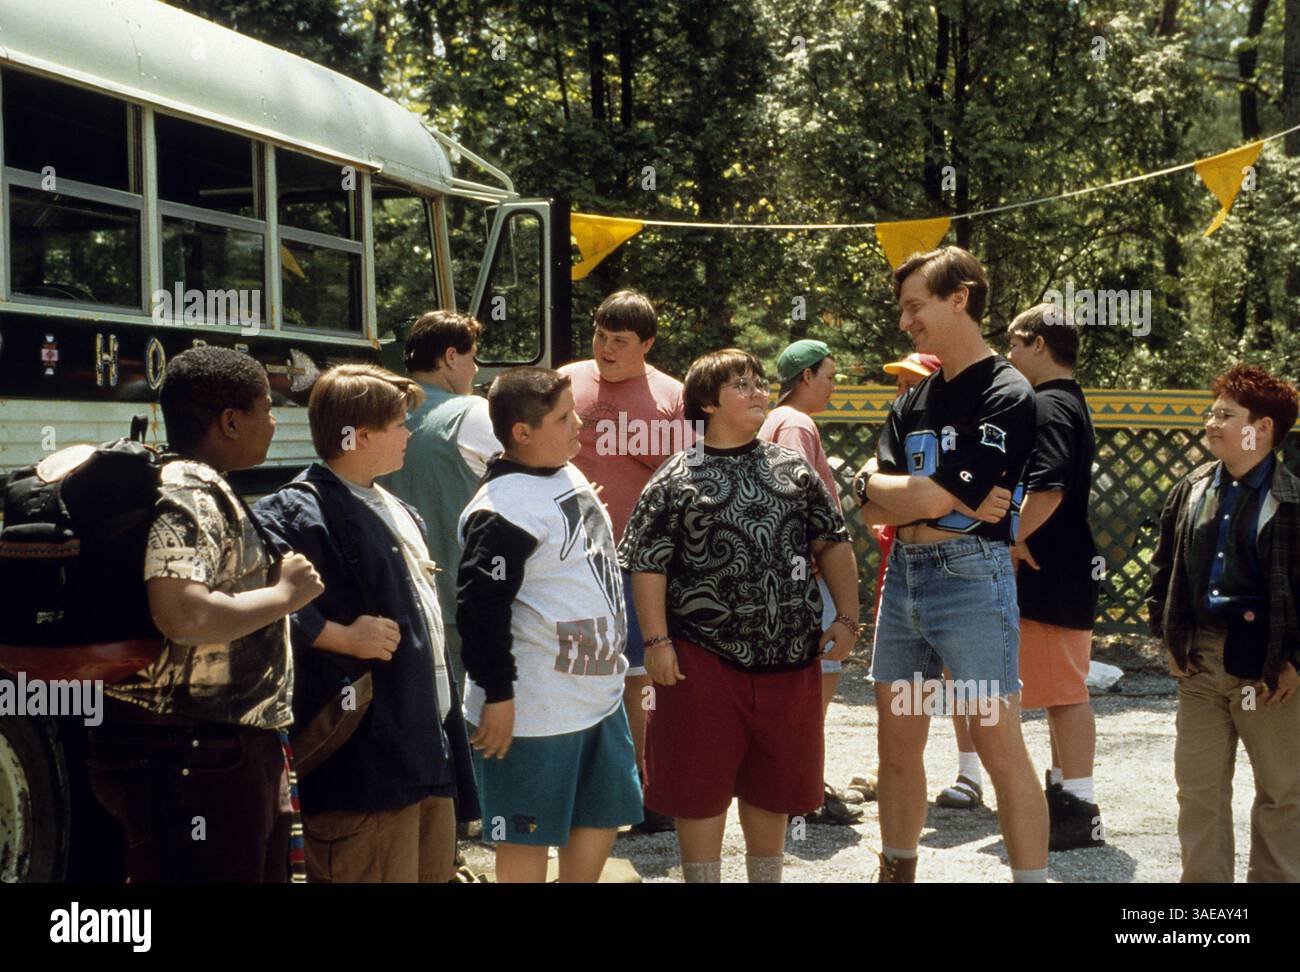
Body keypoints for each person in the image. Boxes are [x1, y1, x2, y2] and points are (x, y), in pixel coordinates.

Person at [620, 348, 860, 882]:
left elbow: (833, 541)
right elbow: (647, 563)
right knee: (698, 788)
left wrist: (847, 619)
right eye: (741, 385)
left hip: (790, 655)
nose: (758, 393)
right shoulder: (676, 477)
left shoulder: (792, 470)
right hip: (700, 659)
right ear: (708, 403)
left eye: (758, 382)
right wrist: (656, 642)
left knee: (774, 787)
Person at [88, 346, 324, 882]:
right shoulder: (191, 494)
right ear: (230, 422)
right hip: (199, 754)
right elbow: (183, 614)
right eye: (267, 408)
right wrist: (286, 595)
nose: (274, 421)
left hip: (199, 749)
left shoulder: (181, 483)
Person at [854, 246, 1049, 882]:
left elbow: (931, 498)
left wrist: (888, 487)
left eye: (916, 306)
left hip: (971, 577)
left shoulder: (1007, 392)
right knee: (896, 745)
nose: (905, 321)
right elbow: (870, 510)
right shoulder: (913, 398)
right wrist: (872, 485)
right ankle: (897, 872)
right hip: (904, 575)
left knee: (997, 744)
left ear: (959, 298)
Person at [253, 364, 479, 883]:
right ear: (355, 436)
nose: (408, 434)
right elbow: (257, 597)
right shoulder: (295, 512)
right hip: (363, 768)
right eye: (398, 424)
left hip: (424, 749)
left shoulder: (399, 508)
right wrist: (339, 636)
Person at [456, 367, 643, 882]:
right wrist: (498, 695)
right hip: (533, 710)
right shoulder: (501, 512)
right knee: (526, 835)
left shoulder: (562, 470)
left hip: (596, 696)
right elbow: (479, 608)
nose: (579, 423)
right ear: (522, 432)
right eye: (564, 417)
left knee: (601, 815)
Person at [1146, 364, 1300, 883]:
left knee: (1282, 791)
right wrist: (1167, 636)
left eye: (1225, 415)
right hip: (1200, 665)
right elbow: (1163, 569)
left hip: (1269, 672)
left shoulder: (1292, 499)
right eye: (1212, 413)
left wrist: (1295, 663)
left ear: (1263, 428)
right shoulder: (1191, 489)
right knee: (1199, 791)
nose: (1210, 423)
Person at [559, 289, 689, 835]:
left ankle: (645, 788)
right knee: (573, 669)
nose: (606, 349)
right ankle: (580, 789)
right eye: (600, 335)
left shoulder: (672, 396)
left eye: (620, 340)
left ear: (647, 344)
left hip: (640, 560)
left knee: (641, 677)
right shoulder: (565, 380)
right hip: (570, 556)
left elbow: (687, 483)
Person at [1003, 305, 1104, 850]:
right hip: (1065, 566)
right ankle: (1066, 795)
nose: (1009, 355)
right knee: (1060, 689)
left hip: (1050, 569)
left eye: (1015, 344)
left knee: (1064, 693)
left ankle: (1079, 808)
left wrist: (1012, 537)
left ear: (1039, 344)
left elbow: (1049, 486)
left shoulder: (1048, 404)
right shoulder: (1069, 399)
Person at [759, 338, 862, 826]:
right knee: (817, 681)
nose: (833, 387)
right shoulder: (797, 424)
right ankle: (802, 790)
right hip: (805, 574)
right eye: (830, 377)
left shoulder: (774, 420)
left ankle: (796, 784)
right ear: (806, 377)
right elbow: (793, 494)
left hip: (787, 573)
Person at [383, 310, 501, 693]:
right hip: (458, 604)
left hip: (389, 600)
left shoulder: (379, 412)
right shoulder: (475, 413)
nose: (476, 370)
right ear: (451, 356)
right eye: (473, 357)